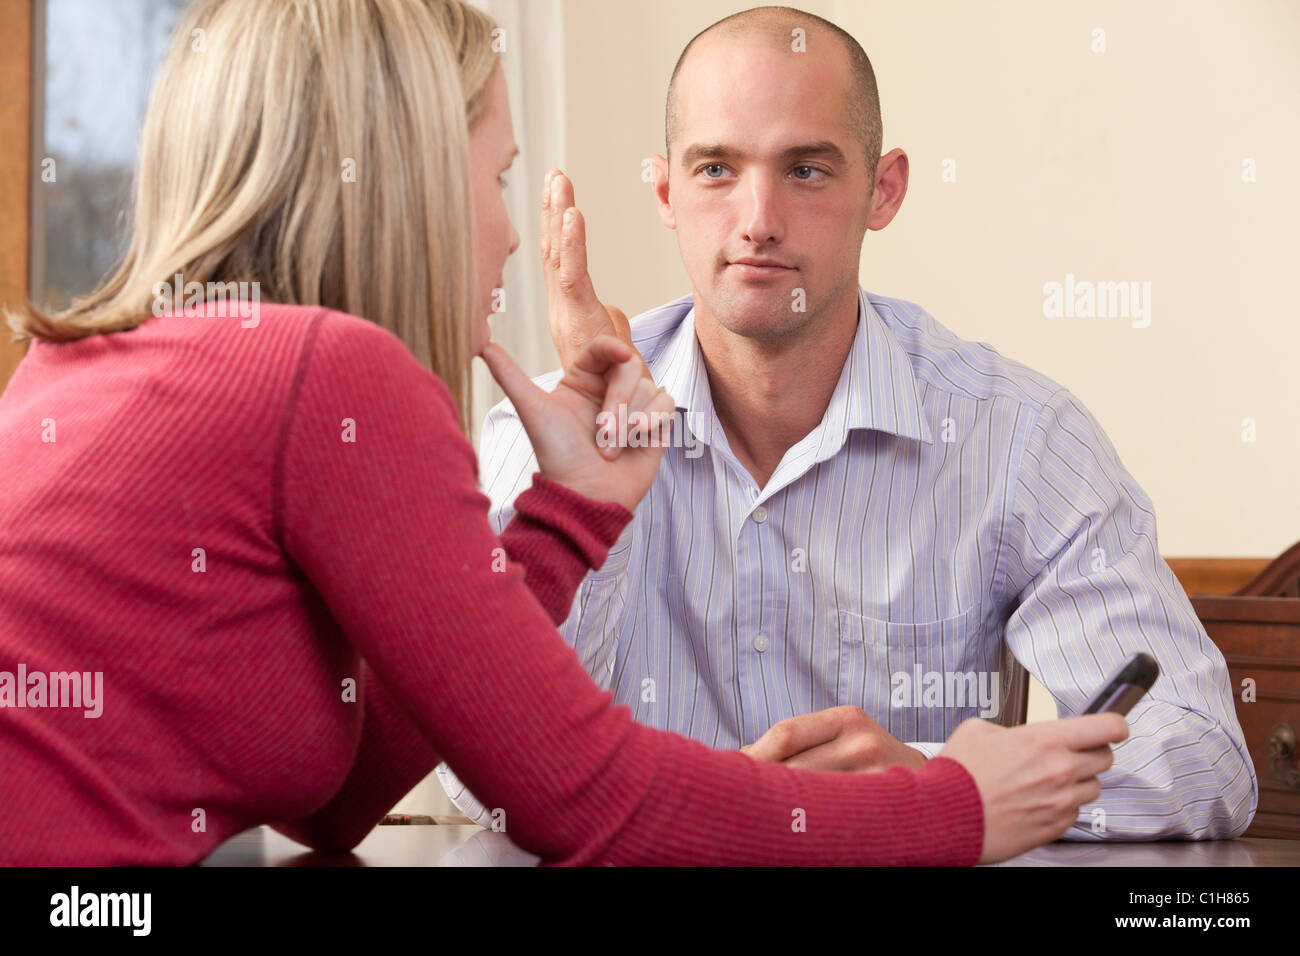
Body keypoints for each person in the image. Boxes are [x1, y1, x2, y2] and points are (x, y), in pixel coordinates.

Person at [0, 0, 1126, 866]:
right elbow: (589, 800)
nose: (504, 229)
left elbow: (337, 799)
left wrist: (569, 511)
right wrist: (955, 805)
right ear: (403, 178)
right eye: (493, 175)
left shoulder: (76, 368)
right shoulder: (325, 375)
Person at [440, 5, 1256, 840]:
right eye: (717, 168)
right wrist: (588, 505)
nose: (757, 218)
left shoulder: (1019, 439)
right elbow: (478, 774)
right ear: (666, 193)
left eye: (806, 170)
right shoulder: (547, 431)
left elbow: (1201, 758)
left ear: (883, 189)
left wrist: (935, 790)